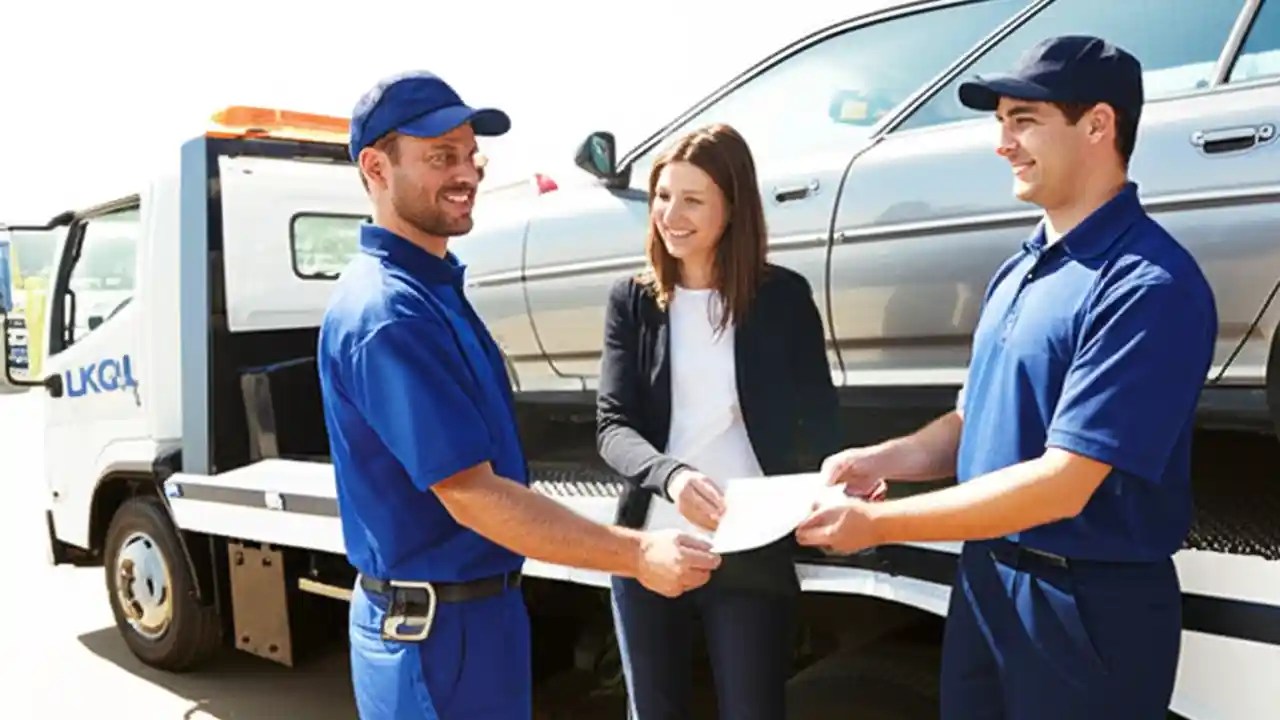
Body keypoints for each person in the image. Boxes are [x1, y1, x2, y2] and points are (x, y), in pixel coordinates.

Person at [795, 36, 1217, 720]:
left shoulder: (1148, 285)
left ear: (1099, 126)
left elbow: (1064, 482)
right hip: (988, 583)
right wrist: (885, 459)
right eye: (1001, 123)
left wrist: (878, 524)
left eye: (1024, 120)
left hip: (1083, 612)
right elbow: (973, 420)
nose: (1003, 143)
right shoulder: (1020, 267)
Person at [316, 71, 722, 720]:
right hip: (436, 641)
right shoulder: (389, 312)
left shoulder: (430, 287)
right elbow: (472, 494)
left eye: (471, 153)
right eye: (440, 156)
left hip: (476, 621)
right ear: (376, 167)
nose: (467, 172)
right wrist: (638, 552)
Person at [596, 123, 847, 720]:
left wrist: (837, 485)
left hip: (750, 547)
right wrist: (673, 476)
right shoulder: (631, 300)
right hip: (651, 544)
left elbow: (821, 419)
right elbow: (612, 426)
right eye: (662, 196)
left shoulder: (783, 298)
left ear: (733, 207)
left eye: (692, 199)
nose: (670, 214)